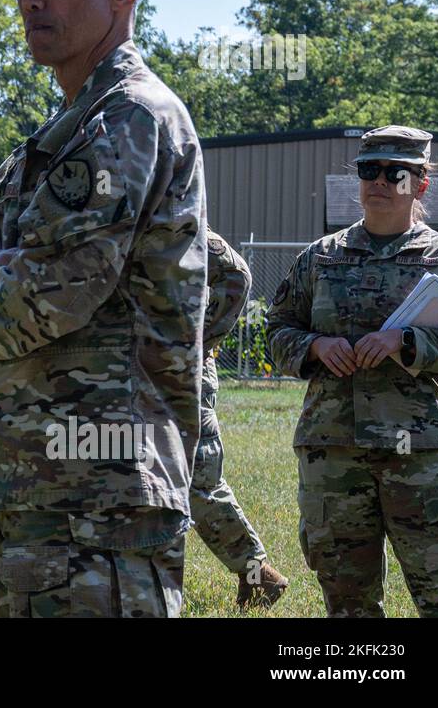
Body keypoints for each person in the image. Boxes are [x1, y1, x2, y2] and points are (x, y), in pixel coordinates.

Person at [0, 0, 207, 617]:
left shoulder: (132, 118)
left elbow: (34, 306)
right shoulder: (59, 134)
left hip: (96, 503)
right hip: (19, 491)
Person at [267, 125, 438, 617]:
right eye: (368, 170)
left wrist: (406, 341)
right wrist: (315, 346)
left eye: (396, 172)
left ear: (420, 183)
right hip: (333, 450)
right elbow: (278, 329)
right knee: (348, 603)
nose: (379, 181)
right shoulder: (321, 257)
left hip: (420, 453)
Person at [194, 228, 288, 608]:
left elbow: (235, 274)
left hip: (180, 375)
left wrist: (193, 345)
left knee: (194, 481)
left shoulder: (165, 209)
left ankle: (258, 574)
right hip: (125, 372)